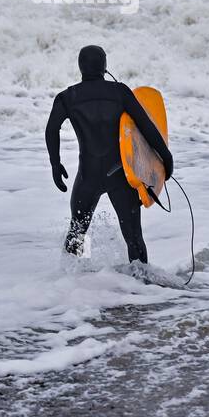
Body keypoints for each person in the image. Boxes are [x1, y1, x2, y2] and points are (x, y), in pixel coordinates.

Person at [46, 45, 173, 263]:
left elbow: (51, 130)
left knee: (77, 233)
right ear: (105, 66)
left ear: (80, 67)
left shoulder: (68, 97)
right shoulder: (120, 92)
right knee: (134, 239)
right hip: (120, 176)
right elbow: (146, 126)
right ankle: (141, 287)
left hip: (88, 175)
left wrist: (55, 164)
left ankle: (71, 281)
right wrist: (165, 157)